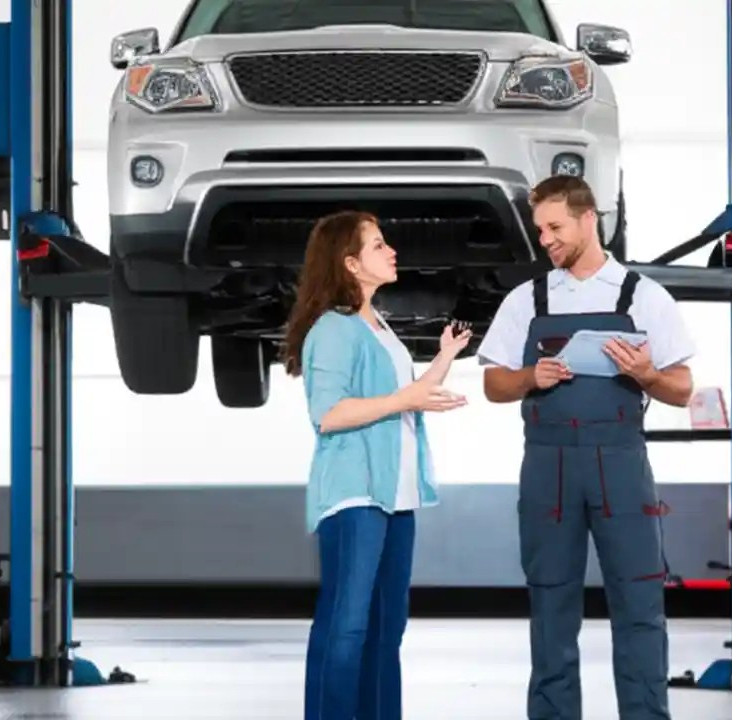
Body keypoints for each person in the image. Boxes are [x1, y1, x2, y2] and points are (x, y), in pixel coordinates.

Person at [475, 175, 696, 720]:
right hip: (548, 465)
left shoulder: (644, 296)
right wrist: (531, 375)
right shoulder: (527, 299)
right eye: (540, 230)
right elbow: (492, 385)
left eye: (554, 227)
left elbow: (682, 388)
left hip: (620, 460)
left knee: (640, 602)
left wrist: (646, 373)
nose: (545, 239)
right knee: (550, 603)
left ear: (588, 219)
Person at [281, 209, 471, 720]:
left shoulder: (378, 325)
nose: (391, 252)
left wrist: (443, 359)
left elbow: (402, 395)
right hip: (355, 497)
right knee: (346, 626)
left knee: (387, 629)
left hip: (396, 496)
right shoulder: (334, 329)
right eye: (378, 245)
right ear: (350, 264)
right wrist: (406, 398)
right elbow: (330, 413)